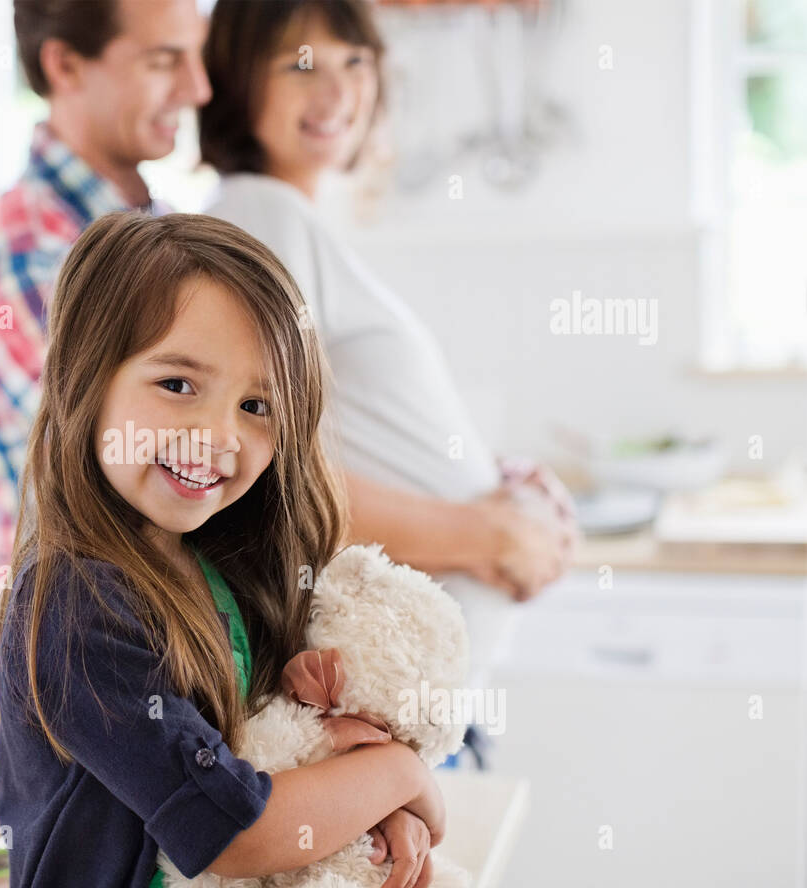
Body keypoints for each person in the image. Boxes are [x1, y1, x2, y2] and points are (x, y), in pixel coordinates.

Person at [0, 210, 446, 888]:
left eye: (257, 404)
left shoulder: (221, 567)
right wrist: (403, 776)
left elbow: (271, 760)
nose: (217, 435)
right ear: (88, 379)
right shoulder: (75, 603)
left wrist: (375, 814)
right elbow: (233, 829)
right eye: (177, 385)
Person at [198, 0, 579, 767]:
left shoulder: (296, 220)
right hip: (377, 728)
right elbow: (264, 480)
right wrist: (490, 534)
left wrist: (496, 486)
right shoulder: (260, 213)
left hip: (408, 718)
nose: (336, 92)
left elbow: (347, 433)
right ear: (239, 80)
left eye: (354, 61)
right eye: (300, 64)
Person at [0, 0, 212, 577]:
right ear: (66, 65)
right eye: (164, 60)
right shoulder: (26, 259)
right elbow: (131, 474)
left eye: (198, 54)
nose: (199, 88)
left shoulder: (160, 225)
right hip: (84, 650)